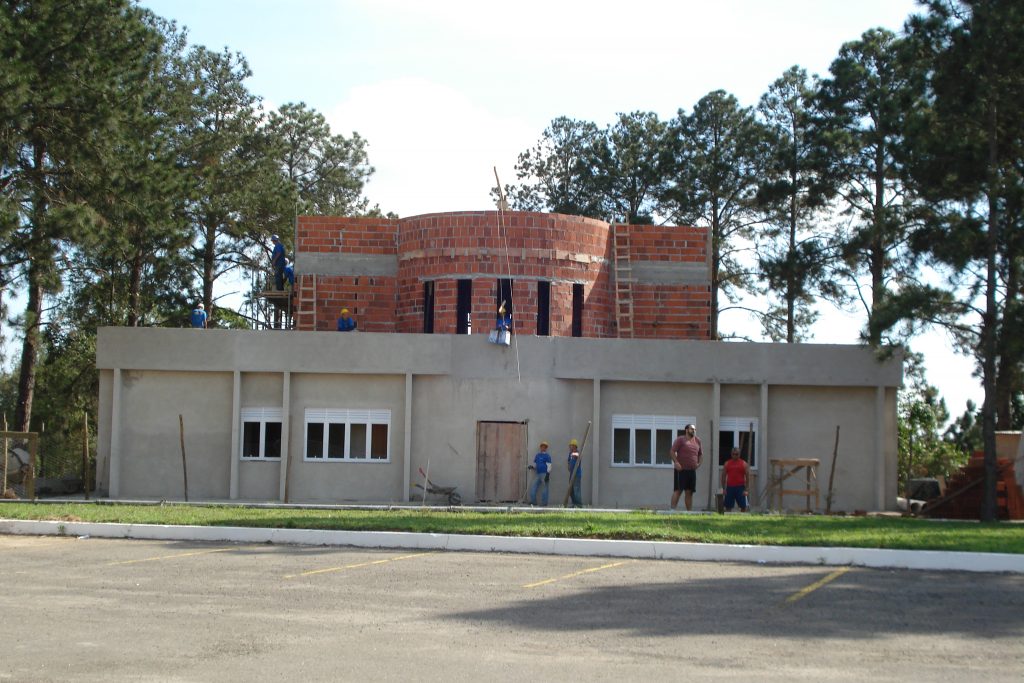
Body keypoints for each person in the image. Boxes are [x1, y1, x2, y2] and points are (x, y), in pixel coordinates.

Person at [669, 423, 702, 510]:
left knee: (689, 492)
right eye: (692, 429)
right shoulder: (680, 440)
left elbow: (700, 455)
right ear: (686, 430)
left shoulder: (698, 440)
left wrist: (698, 464)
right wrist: (676, 463)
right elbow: (672, 452)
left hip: (691, 471)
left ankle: (689, 512)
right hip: (681, 470)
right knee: (678, 491)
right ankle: (672, 511)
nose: (694, 431)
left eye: (695, 429)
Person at [720, 447, 750, 512]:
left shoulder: (744, 463)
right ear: (731, 454)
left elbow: (747, 476)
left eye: (736, 454)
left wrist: (746, 489)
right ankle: (728, 519)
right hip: (730, 487)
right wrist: (723, 488)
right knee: (728, 506)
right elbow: (723, 476)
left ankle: (742, 519)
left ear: (739, 454)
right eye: (733, 454)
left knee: (743, 506)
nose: (735, 456)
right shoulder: (727, 463)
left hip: (740, 487)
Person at [528, 441, 552, 506]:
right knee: (533, 487)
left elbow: (549, 466)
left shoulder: (547, 456)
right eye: (542, 446)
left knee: (545, 489)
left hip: (544, 474)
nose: (543, 448)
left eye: (544, 447)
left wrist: (548, 474)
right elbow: (536, 465)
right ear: (540, 447)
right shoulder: (537, 455)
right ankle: (533, 502)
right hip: (538, 474)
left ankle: (544, 503)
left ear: (546, 448)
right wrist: (532, 467)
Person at [567, 438, 583, 507]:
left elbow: (579, 456)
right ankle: (574, 503)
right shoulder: (570, 453)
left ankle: (579, 504)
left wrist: (575, 455)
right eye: (570, 445)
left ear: (574, 446)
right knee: (571, 490)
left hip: (577, 474)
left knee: (576, 489)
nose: (570, 447)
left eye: (571, 445)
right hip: (571, 474)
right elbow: (568, 461)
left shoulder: (577, 452)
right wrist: (568, 466)